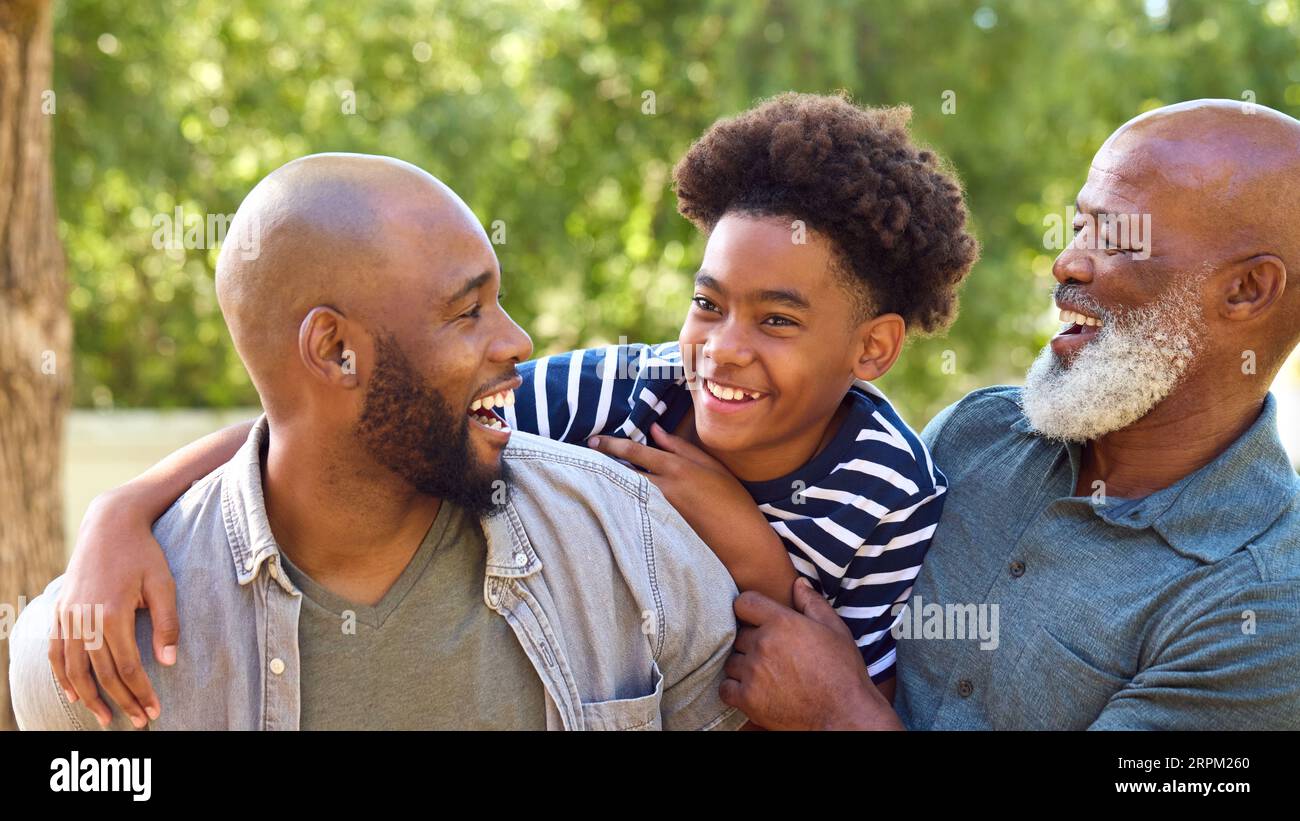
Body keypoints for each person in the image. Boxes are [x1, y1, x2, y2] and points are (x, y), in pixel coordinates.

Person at [36, 94, 979, 725]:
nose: (724, 346)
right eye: (707, 302)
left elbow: (829, 691)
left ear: (873, 349)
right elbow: (342, 426)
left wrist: (755, 557)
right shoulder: (624, 393)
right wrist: (121, 509)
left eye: (777, 319)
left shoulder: (891, 486)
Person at [8, 153, 746, 731]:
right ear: (334, 351)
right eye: (468, 311)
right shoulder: (100, 651)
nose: (517, 340)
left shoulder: (631, 544)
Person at [719, 100, 1300, 731]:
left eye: (1115, 237)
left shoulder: (1264, 608)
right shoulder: (980, 432)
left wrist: (837, 714)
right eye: (1080, 227)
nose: (1068, 262)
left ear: (1246, 290)